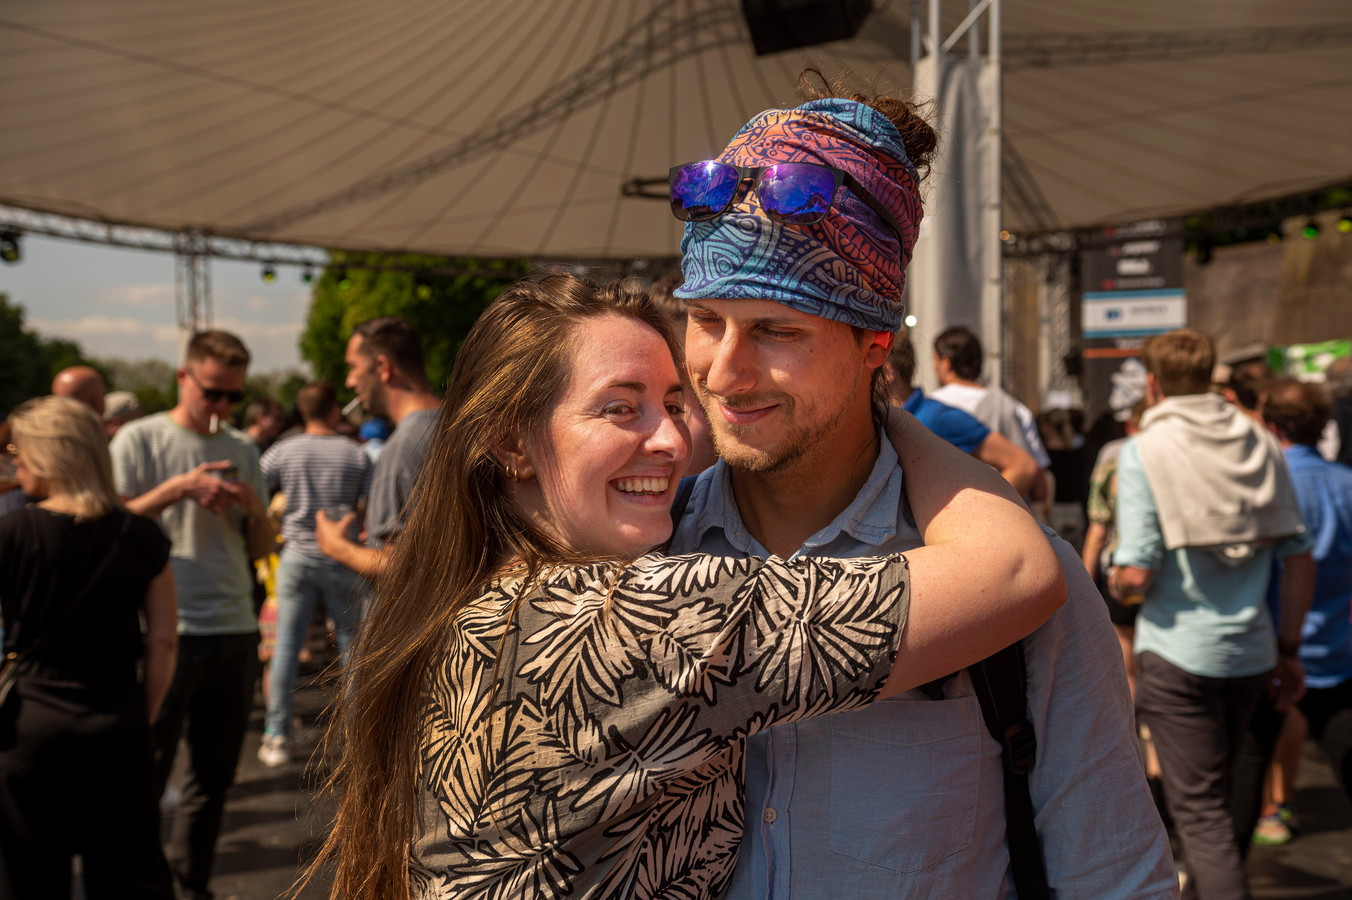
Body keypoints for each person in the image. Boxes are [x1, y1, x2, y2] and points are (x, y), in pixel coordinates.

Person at [301, 274, 1064, 900]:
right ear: (510, 441)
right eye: (619, 408)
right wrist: (886, 415)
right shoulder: (625, 622)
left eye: (672, 405)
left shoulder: (481, 604)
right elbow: (1015, 571)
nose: (670, 439)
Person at [668, 76, 1176, 897]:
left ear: (875, 345)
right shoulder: (643, 548)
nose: (724, 372)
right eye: (705, 320)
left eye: (776, 330)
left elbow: (1116, 878)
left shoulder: (1021, 592)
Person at [1111, 329, 1314, 900]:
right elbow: (1299, 558)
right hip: (1253, 652)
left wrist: (1113, 578)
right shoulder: (1260, 441)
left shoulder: (1144, 450)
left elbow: (1136, 574)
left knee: (1202, 821)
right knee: (1220, 807)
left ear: (1154, 384)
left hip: (1179, 654)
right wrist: (1290, 649)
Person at [110, 330, 274, 900]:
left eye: (234, 396)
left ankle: (192, 885)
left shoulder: (243, 448)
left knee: (213, 779)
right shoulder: (140, 439)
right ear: (183, 378)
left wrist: (251, 508)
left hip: (234, 628)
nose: (222, 406)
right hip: (166, 632)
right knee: (145, 774)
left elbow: (260, 547)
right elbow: (110, 526)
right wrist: (179, 489)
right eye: (213, 393)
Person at [0, 396, 177, 898]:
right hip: (116, 718)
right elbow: (164, 640)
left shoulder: (10, 532)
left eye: (18, 449)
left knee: (28, 878)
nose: (14, 461)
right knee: (127, 878)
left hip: (27, 724)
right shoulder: (141, 534)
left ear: (49, 453)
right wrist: (141, 714)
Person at [257, 381, 372, 767]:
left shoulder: (284, 449)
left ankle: (276, 735)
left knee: (286, 646)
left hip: (296, 555)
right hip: (342, 554)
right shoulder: (355, 452)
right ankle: (357, 739)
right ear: (335, 410)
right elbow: (367, 505)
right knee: (352, 649)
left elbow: (257, 484)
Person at [1259, 379, 1352, 803]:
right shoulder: (1345, 482)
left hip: (1273, 651)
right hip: (1336, 649)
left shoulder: (1266, 486)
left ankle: (1273, 810)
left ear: (1271, 425)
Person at [315, 316, 439, 578]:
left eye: (353, 367)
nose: (349, 382)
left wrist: (336, 546)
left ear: (383, 367)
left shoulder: (402, 448)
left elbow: (400, 567)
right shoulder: (456, 423)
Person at [883, 329, 1037, 494]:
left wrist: (977, 510)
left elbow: (1023, 465)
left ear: (888, 371)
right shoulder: (892, 419)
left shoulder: (936, 417)